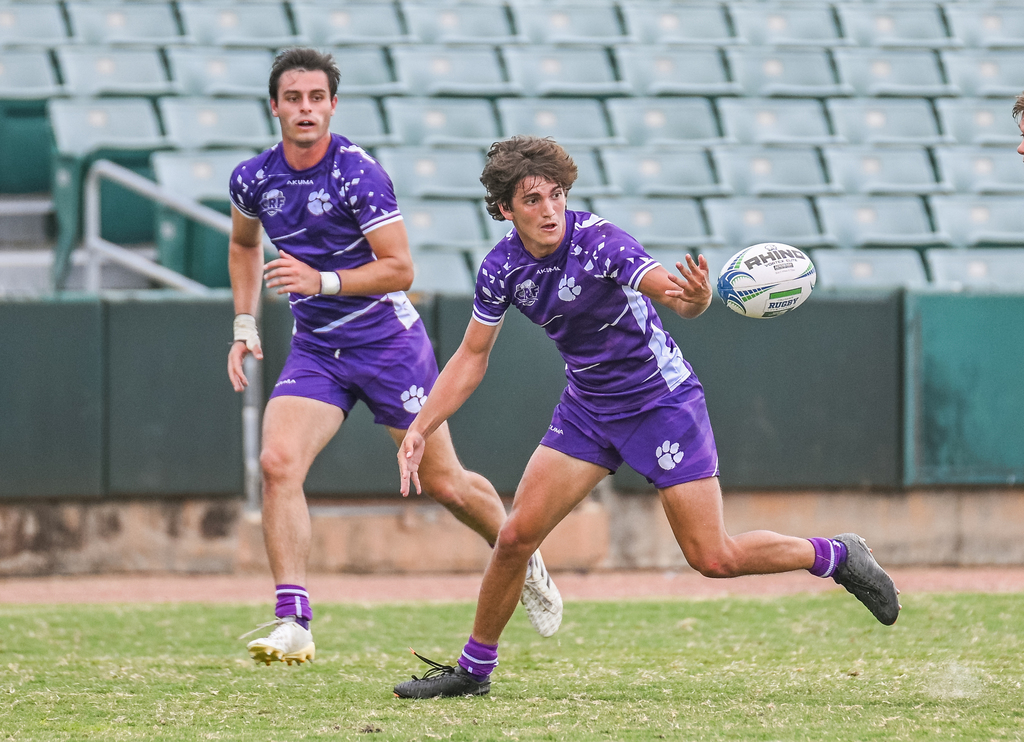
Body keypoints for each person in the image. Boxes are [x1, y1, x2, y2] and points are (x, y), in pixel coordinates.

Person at [392, 136, 901, 699]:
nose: (549, 210)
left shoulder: (601, 242)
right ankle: (474, 670)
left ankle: (838, 555)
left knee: (714, 557)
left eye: (556, 195)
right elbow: (470, 357)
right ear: (505, 209)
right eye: (532, 200)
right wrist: (421, 425)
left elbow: (677, 298)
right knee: (514, 537)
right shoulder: (501, 268)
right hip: (588, 410)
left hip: (662, 404)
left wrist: (698, 297)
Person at [226, 49, 563, 666]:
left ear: (332, 104)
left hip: (388, 345)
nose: (306, 109)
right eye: (293, 98)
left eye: (317, 98)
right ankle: (293, 619)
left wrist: (320, 280)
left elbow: (400, 269)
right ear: (274, 105)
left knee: (446, 485)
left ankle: (522, 552)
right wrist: (245, 320)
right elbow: (244, 246)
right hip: (318, 348)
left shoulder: (358, 173)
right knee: (277, 463)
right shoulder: (254, 178)